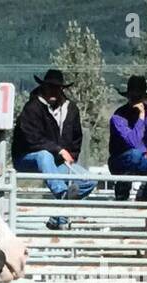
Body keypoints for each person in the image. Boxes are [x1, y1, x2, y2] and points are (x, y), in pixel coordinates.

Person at [11, 69, 96, 230]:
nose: (53, 90)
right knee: (44, 156)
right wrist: (58, 150)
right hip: (27, 158)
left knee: (89, 181)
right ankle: (62, 194)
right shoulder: (32, 108)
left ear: (61, 89)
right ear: (43, 87)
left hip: (58, 161)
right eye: (49, 86)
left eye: (57, 87)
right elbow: (32, 139)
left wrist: (71, 156)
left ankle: (57, 217)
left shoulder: (71, 109)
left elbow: (77, 137)